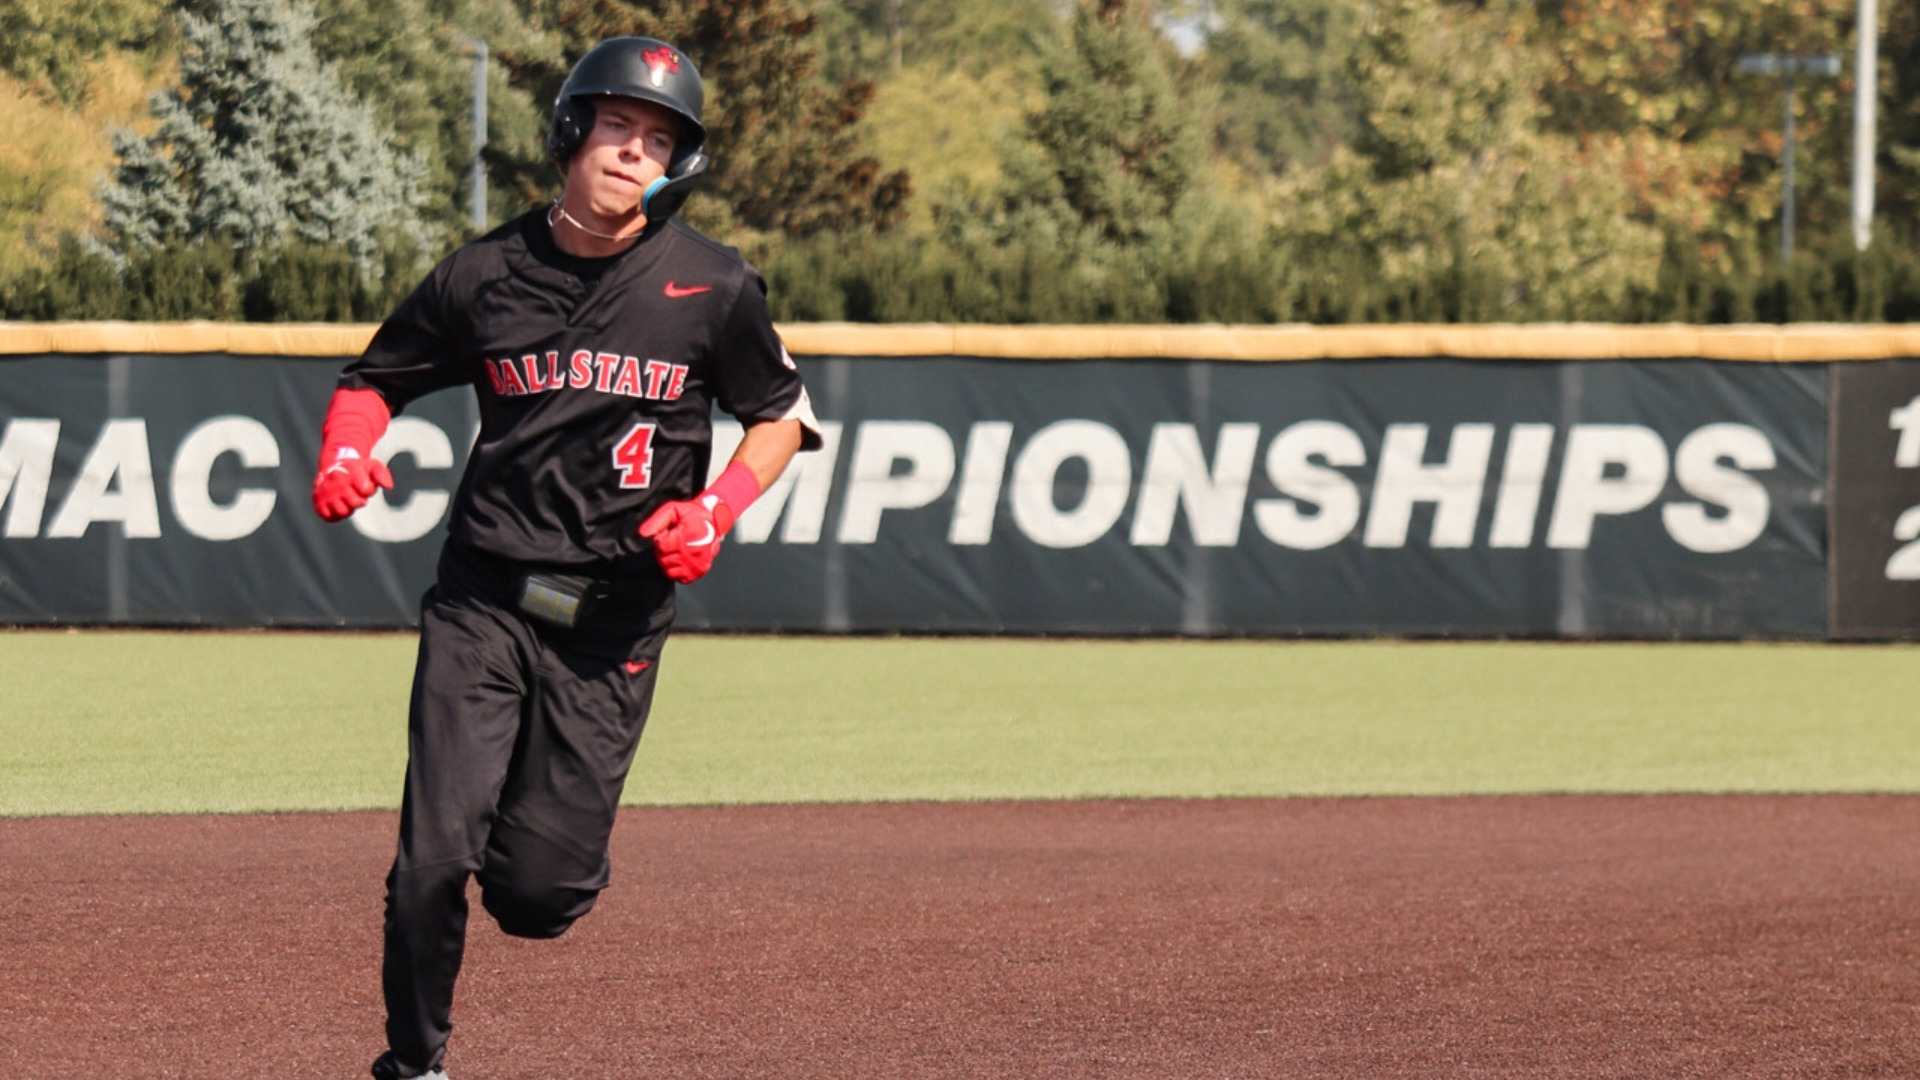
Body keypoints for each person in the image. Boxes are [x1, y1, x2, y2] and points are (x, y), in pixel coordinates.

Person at [308, 36, 821, 1080]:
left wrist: (716, 510)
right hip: (484, 599)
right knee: (431, 860)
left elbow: (782, 419)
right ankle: (414, 1064)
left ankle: (533, 841)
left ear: (680, 164)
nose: (635, 151)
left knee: (540, 896)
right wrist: (346, 448)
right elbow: (375, 380)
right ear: (571, 130)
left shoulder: (715, 284)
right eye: (618, 124)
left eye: (660, 139)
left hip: (613, 620)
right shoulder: (483, 273)